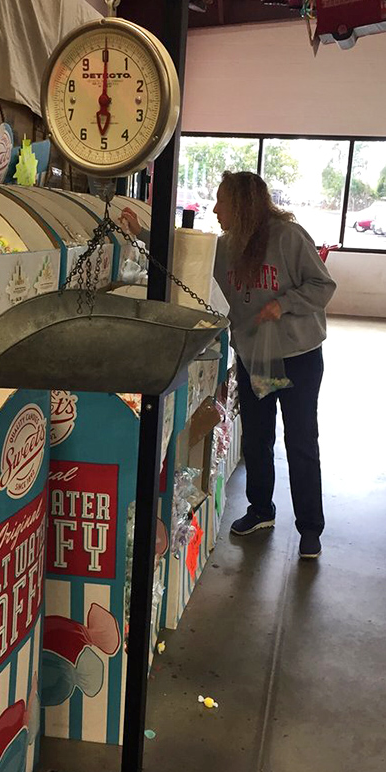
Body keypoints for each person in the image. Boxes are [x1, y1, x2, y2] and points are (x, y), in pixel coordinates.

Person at [121, 170, 335, 559]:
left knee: (301, 441)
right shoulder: (228, 246)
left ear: (243, 205)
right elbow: (182, 254)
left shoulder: (288, 237)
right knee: (256, 437)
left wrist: (283, 304)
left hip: (298, 357)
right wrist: (141, 234)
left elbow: (323, 286)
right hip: (257, 358)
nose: (215, 209)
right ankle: (261, 510)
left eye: (222, 201)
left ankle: (310, 527)